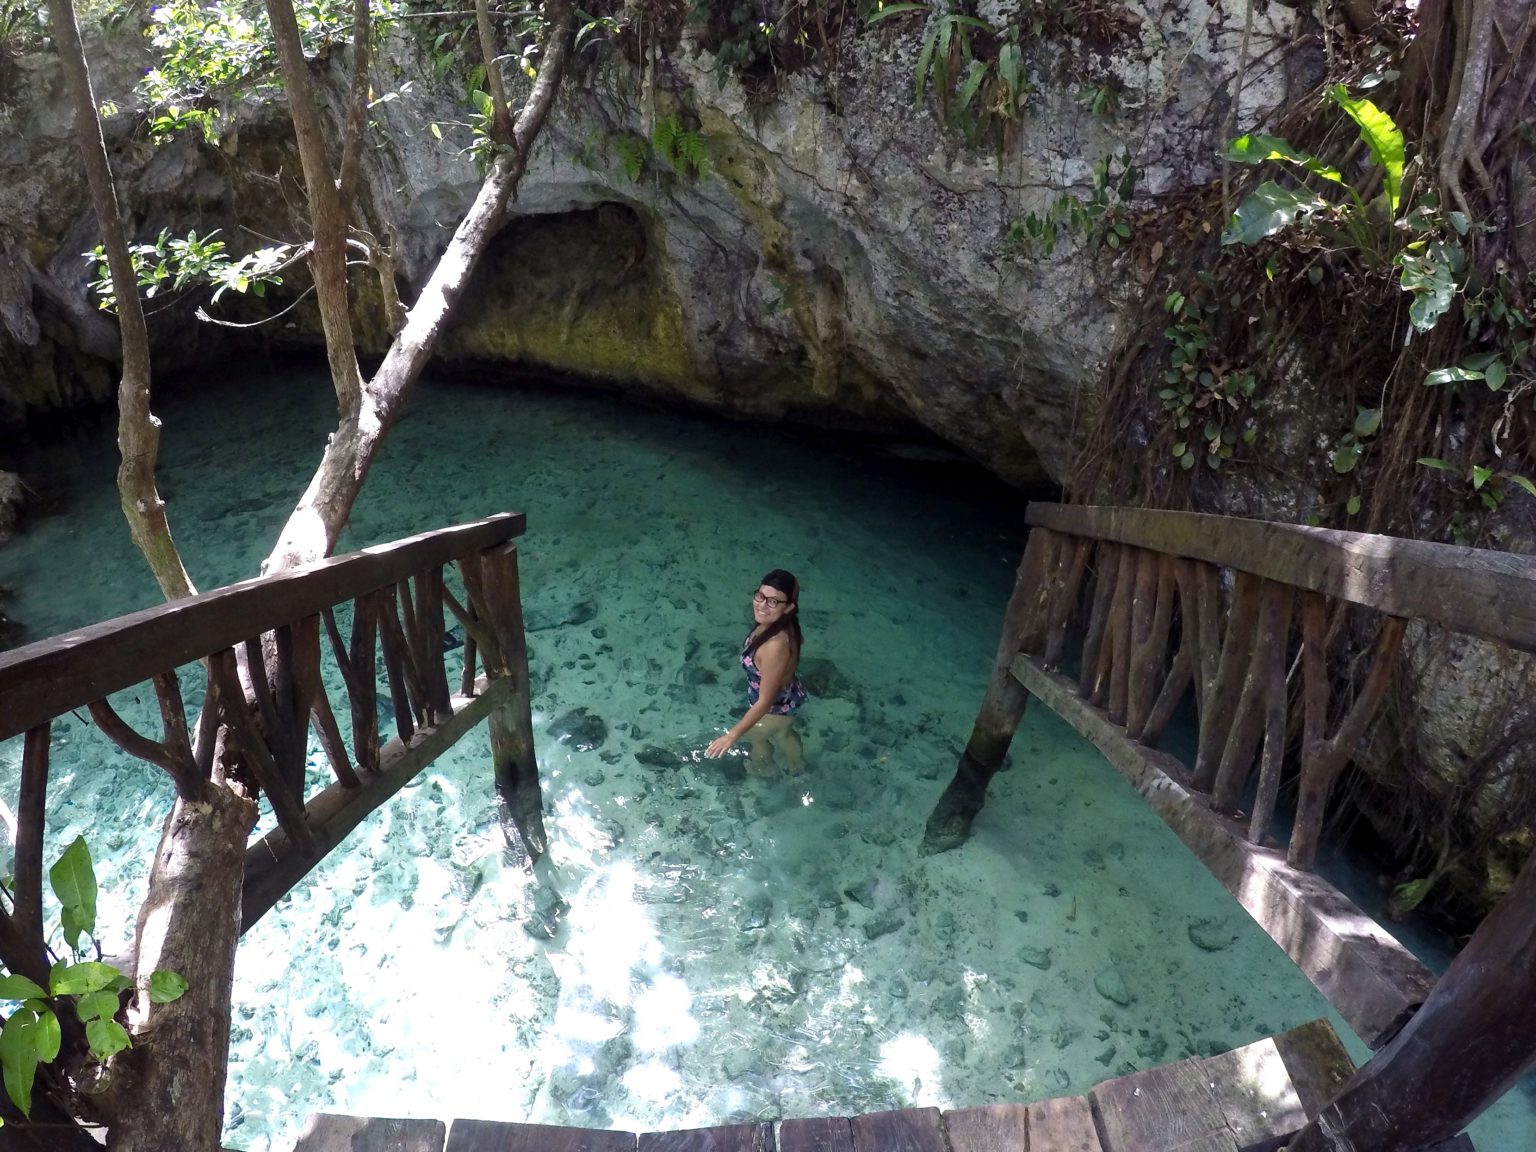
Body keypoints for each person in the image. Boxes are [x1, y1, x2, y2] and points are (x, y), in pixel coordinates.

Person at [704, 569, 807, 774]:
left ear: (788, 608)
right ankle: (799, 769)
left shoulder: (774, 645)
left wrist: (731, 735)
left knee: (756, 739)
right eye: (760, 596)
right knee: (784, 734)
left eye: (773, 602)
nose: (762, 605)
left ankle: (762, 771)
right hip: (789, 697)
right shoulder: (782, 625)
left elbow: (765, 702)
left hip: (775, 709)